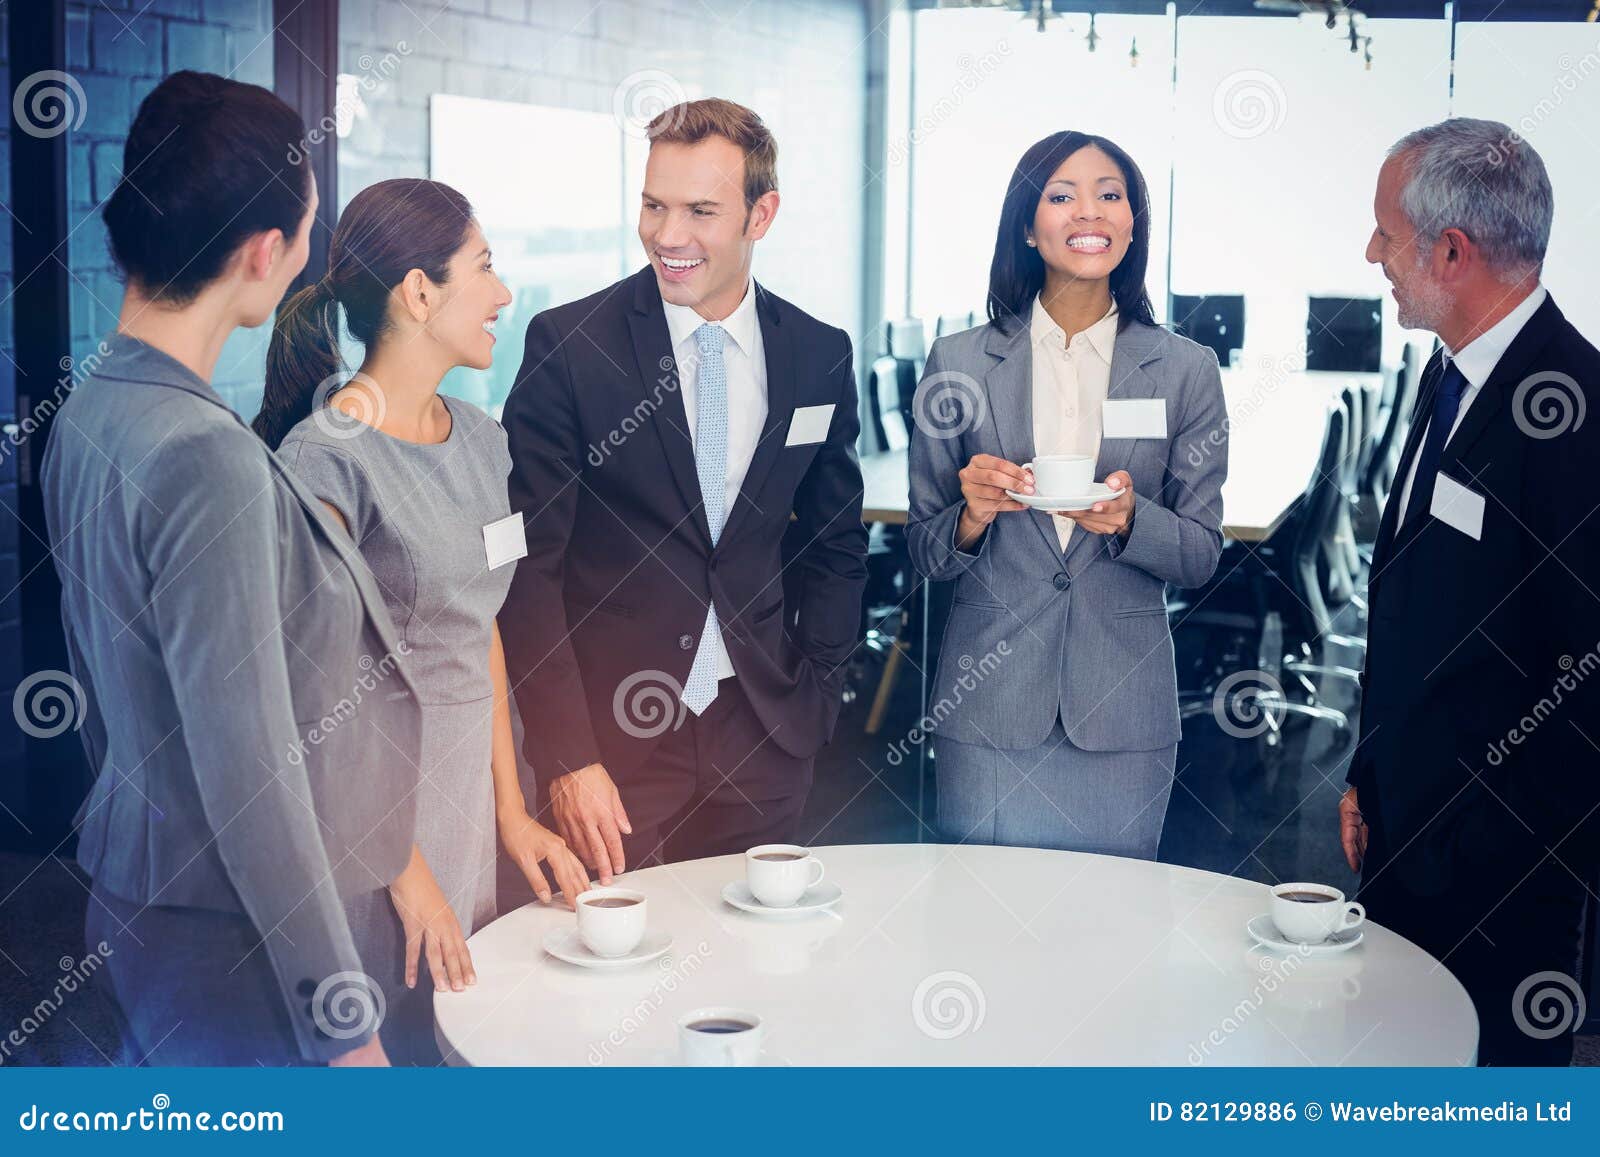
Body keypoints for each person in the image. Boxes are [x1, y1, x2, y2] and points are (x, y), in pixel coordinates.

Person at [40, 71, 420, 1066]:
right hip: (237, 942)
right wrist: (345, 1016)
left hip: (142, 899)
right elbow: (254, 776)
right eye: (302, 234)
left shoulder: (89, 409)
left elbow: (107, 680)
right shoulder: (204, 454)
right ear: (264, 253)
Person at [256, 178, 590, 1064]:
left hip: (470, 802)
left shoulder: (484, 439)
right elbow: (313, 697)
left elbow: (480, 626)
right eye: (484, 267)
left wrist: (512, 813)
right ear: (418, 292)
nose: (504, 293)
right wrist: (405, 876)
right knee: (387, 1061)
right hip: (372, 828)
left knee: (469, 1048)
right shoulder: (325, 460)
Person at [501, 98, 868, 878]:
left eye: (701, 210)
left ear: (760, 215)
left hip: (764, 730)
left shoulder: (818, 353)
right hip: (609, 745)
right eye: (654, 205)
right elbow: (529, 568)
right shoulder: (568, 346)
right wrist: (566, 755)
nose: (669, 235)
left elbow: (833, 541)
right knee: (596, 973)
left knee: (754, 962)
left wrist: (818, 692)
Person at [1340, 118, 1600, 1066]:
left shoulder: (1575, 411)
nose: (1373, 253)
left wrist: (1477, 843)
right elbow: (1416, 608)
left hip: (1503, 882)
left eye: (1385, 234)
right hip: (1409, 834)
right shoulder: (1448, 376)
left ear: (1451, 251)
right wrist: (1375, 771)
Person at [907, 131, 1227, 858]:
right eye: (1062, 195)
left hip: (1123, 716)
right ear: (1027, 224)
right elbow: (924, 550)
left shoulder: (1186, 370)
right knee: (984, 935)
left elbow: (1202, 553)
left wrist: (1130, 521)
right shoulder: (957, 362)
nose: (1090, 211)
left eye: (1110, 194)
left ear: (1133, 222)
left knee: (1111, 946)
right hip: (989, 712)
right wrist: (972, 516)